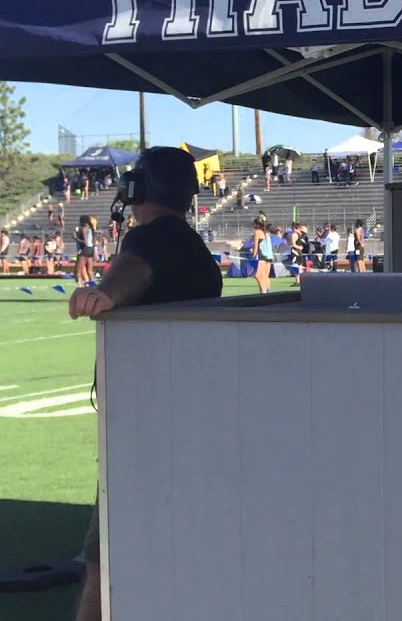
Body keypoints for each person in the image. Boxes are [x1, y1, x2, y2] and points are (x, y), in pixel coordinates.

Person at [68, 147, 223, 621]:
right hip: (193, 415)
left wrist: (101, 293)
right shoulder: (195, 249)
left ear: (138, 189)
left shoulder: (151, 240)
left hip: (143, 423)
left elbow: (129, 276)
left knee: (104, 556)